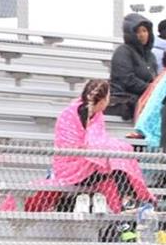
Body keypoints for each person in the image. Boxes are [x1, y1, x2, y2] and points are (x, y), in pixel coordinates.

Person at [52, 78, 154, 214]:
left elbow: (99, 142)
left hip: (94, 166)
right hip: (71, 167)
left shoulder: (97, 115)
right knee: (115, 158)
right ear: (102, 100)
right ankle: (127, 200)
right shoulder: (70, 114)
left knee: (117, 158)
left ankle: (125, 203)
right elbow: (72, 146)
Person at [109, 14, 158, 121]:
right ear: (130, 34)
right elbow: (126, 80)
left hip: (143, 100)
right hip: (125, 102)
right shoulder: (123, 51)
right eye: (138, 31)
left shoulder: (151, 56)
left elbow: (155, 79)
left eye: (145, 31)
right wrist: (151, 88)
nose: (142, 35)